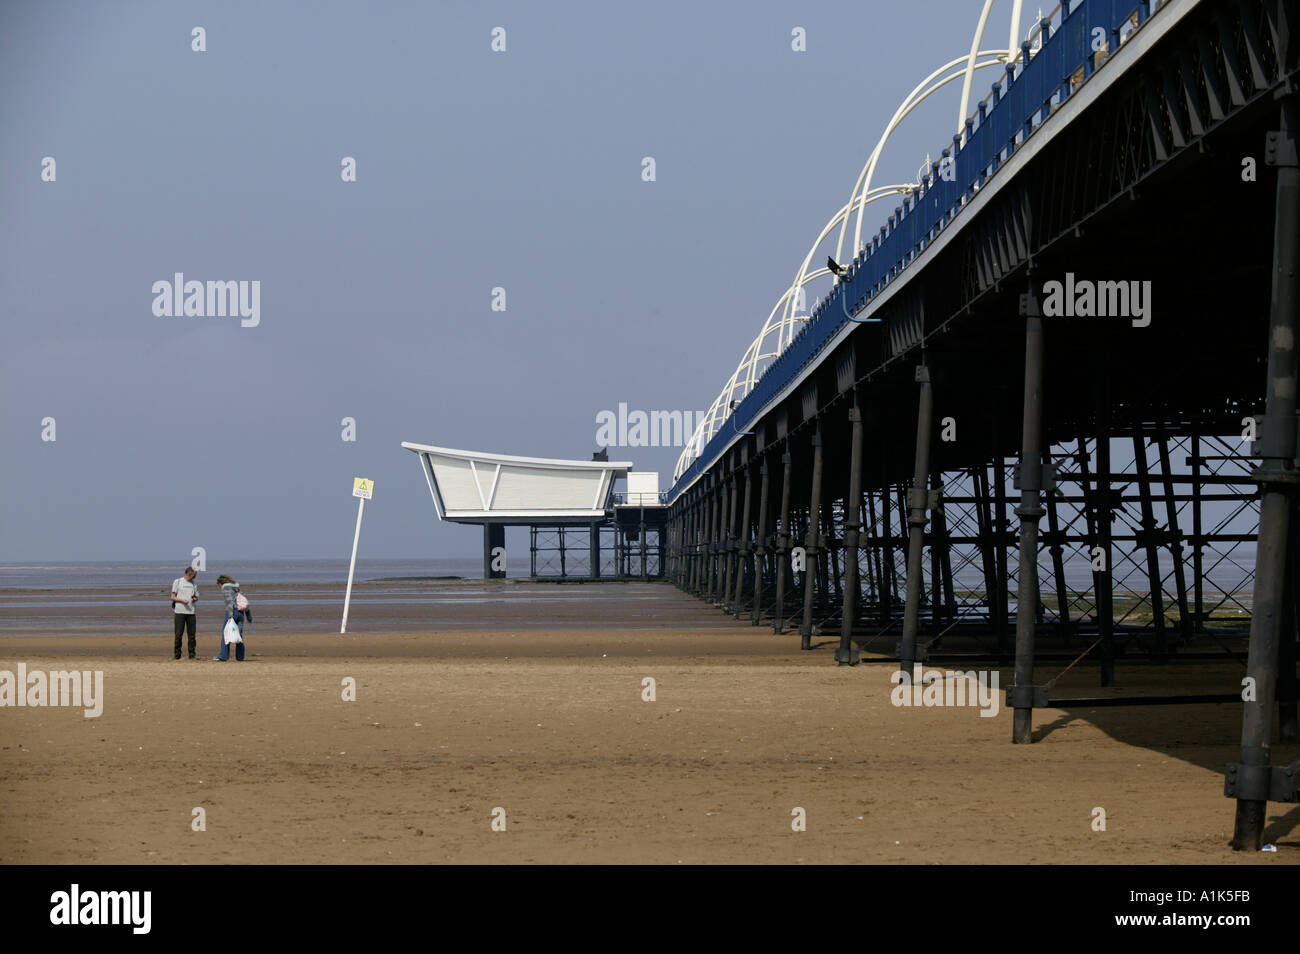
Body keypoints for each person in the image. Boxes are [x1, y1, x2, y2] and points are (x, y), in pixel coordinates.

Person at [213, 574, 250, 662]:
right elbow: (244, 601)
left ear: (221, 583)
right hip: (241, 613)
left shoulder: (226, 588)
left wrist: (230, 615)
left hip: (233, 612)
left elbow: (229, 602)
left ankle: (223, 656)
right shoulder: (237, 588)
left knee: (226, 634)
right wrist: (248, 616)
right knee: (239, 636)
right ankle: (240, 657)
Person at [170, 566, 199, 659]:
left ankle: (192, 654)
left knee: (192, 635)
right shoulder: (178, 581)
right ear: (189, 574)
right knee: (178, 634)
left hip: (191, 611)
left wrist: (195, 599)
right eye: (194, 575)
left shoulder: (194, 584)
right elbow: (173, 597)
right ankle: (177, 654)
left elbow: (196, 596)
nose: (195, 577)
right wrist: (182, 600)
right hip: (179, 611)